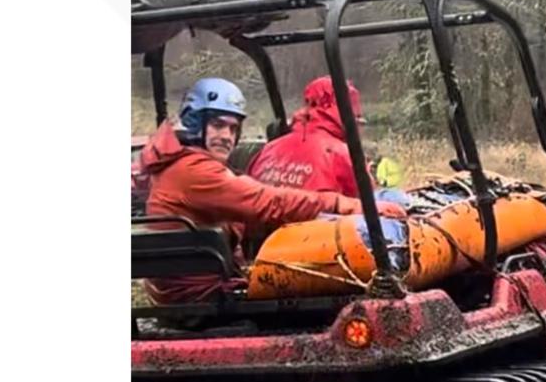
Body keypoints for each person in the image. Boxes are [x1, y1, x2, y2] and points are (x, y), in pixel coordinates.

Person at [140, 77, 405, 305]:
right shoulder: (194, 171)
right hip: (206, 294)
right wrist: (339, 203)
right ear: (197, 122)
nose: (227, 136)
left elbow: (251, 199)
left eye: (233, 128)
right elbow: (267, 202)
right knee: (326, 293)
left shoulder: (177, 162)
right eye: (219, 125)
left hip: (194, 284)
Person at [248, 76, 368, 197]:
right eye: (357, 117)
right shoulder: (344, 156)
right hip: (317, 215)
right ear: (347, 114)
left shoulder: (267, 150)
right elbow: (368, 205)